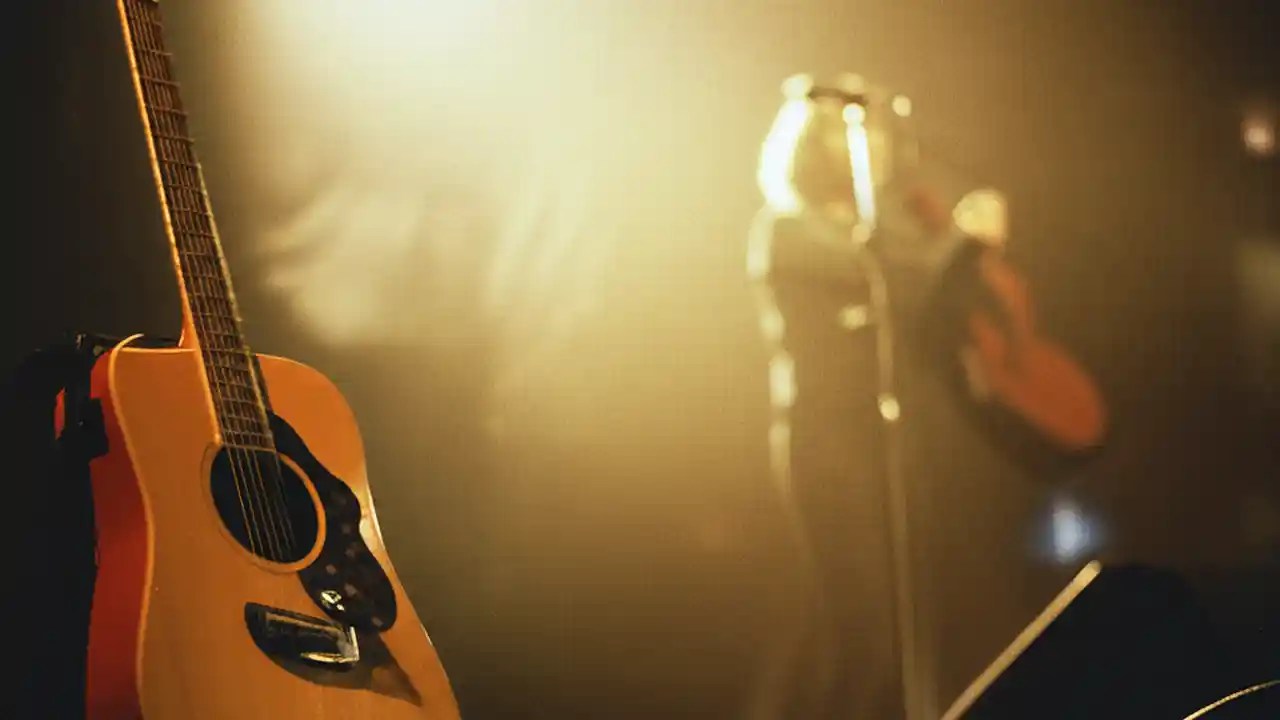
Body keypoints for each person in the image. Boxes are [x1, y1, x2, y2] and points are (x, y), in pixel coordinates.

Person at [746, 73, 1107, 719]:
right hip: (830, 447)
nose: (872, 144)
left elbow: (938, 302)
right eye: (846, 136)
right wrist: (961, 245)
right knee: (867, 641)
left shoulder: (880, 226)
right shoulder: (787, 230)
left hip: (888, 444)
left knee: (909, 632)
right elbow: (892, 273)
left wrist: (966, 250)